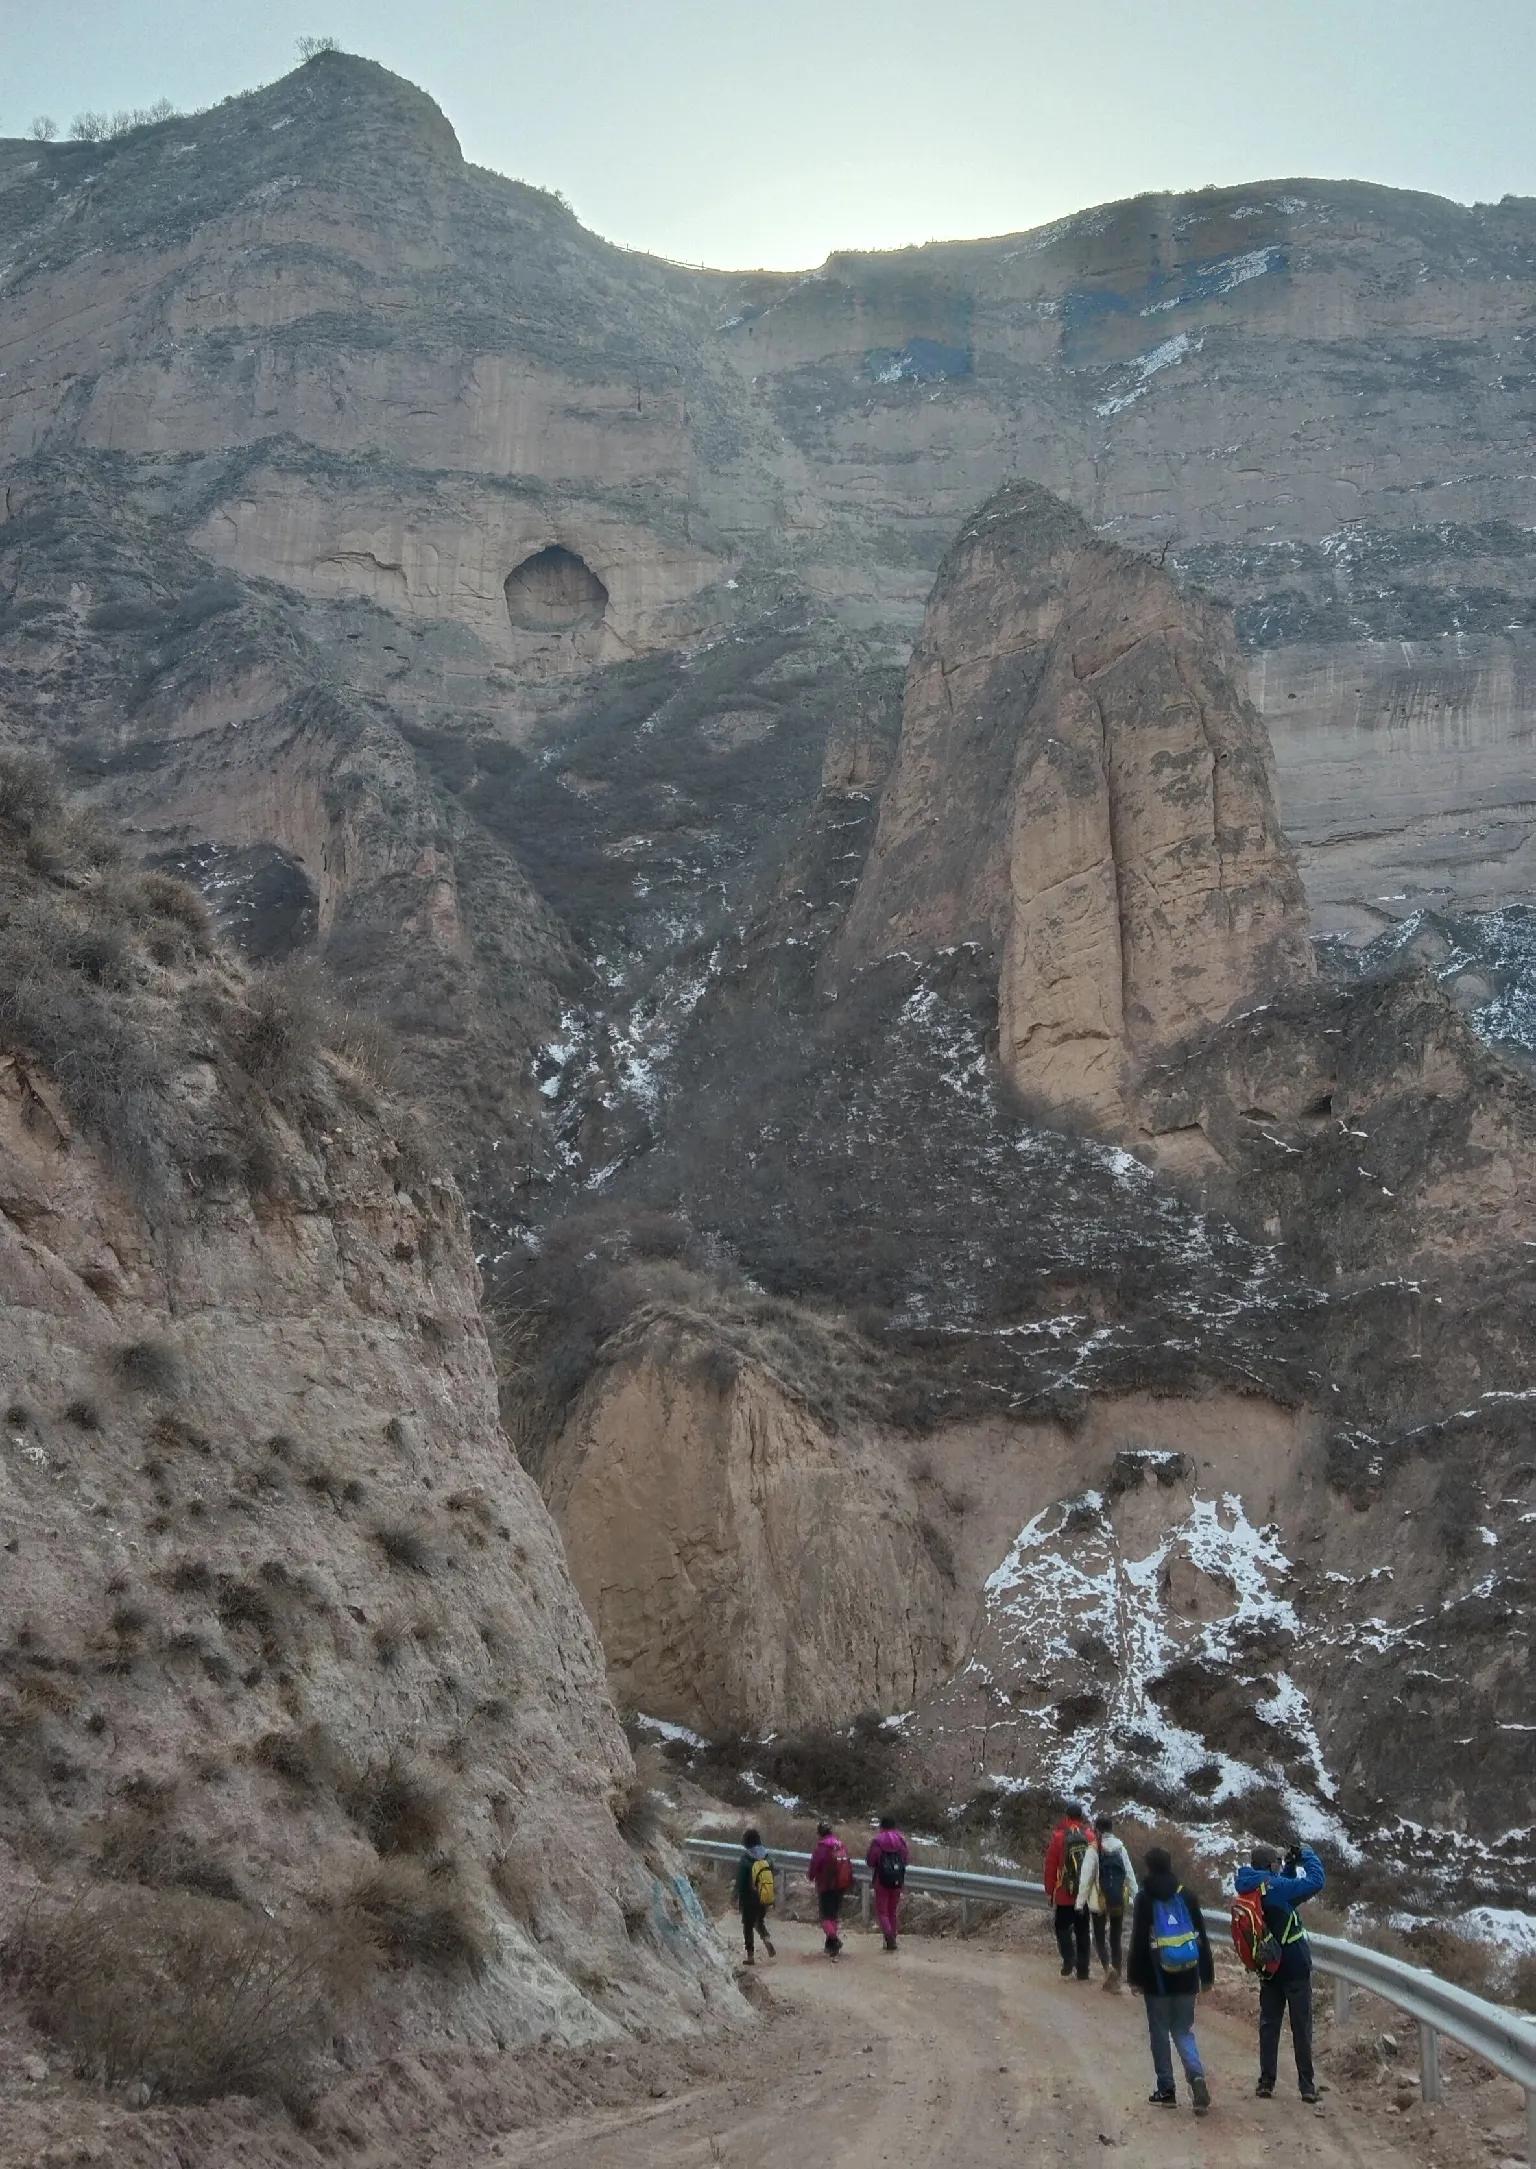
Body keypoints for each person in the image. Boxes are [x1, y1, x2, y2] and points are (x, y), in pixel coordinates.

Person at [1234, 1842, 1326, 2102]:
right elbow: (1316, 1881)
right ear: (1269, 1865)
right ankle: (1306, 2086)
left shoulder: (1248, 1886)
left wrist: (1289, 1866)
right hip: (1294, 1965)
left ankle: (1266, 2081)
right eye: (1277, 1861)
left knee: (1269, 2024)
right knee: (1301, 2026)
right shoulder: (1277, 1888)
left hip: (1268, 1966)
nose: (1279, 1864)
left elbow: (1279, 1892)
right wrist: (1307, 1855)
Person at [1126, 1845, 1214, 2115]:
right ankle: (1196, 2077)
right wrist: (1206, 1974)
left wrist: (1134, 1977)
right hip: (1187, 1976)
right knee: (1183, 2030)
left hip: (1157, 1980)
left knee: (1159, 2032)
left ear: (1149, 1867)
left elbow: (1139, 1940)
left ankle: (1166, 2090)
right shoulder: (1186, 1895)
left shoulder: (1144, 1898)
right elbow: (1200, 1936)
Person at [1078, 1811, 1137, 1989]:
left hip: (1098, 1901)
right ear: (1111, 1830)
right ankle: (1117, 1973)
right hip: (1118, 1899)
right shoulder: (1121, 1848)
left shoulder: (1093, 1849)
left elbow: (1086, 1879)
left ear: (1097, 1830)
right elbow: (1130, 1875)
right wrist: (1136, 1897)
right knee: (1115, 1937)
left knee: (1099, 1937)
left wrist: (1079, 1902)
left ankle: (1107, 1969)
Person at [1043, 1801, 1095, 1981]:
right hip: (1084, 1895)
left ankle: (1068, 1958)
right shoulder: (1090, 1837)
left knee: (1062, 1927)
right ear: (1081, 1817)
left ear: (1066, 1817)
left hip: (1065, 1893)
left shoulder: (1058, 1838)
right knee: (1083, 1931)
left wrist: (1050, 1891)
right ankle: (1083, 1970)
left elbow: (1050, 1867)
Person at [807, 1819, 854, 1957]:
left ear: (819, 1833)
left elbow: (815, 1865)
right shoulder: (840, 1845)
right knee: (833, 1915)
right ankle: (831, 1946)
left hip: (827, 1885)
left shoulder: (822, 1848)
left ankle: (834, 1939)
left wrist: (811, 1876)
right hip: (841, 1884)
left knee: (825, 1917)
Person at [866, 1814, 909, 1951]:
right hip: (897, 1879)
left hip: (881, 1880)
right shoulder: (901, 1840)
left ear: (882, 1826)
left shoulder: (878, 1841)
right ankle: (893, 1936)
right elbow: (906, 1859)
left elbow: (870, 1861)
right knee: (892, 1911)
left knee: (882, 1911)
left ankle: (889, 1936)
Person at [733, 1826, 776, 1965]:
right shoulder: (768, 1857)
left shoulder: (746, 1859)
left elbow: (740, 1881)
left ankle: (750, 1956)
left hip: (748, 1898)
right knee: (759, 1921)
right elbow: (772, 1875)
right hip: (763, 1895)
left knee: (747, 1925)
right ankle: (766, 1939)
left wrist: (735, 1896)